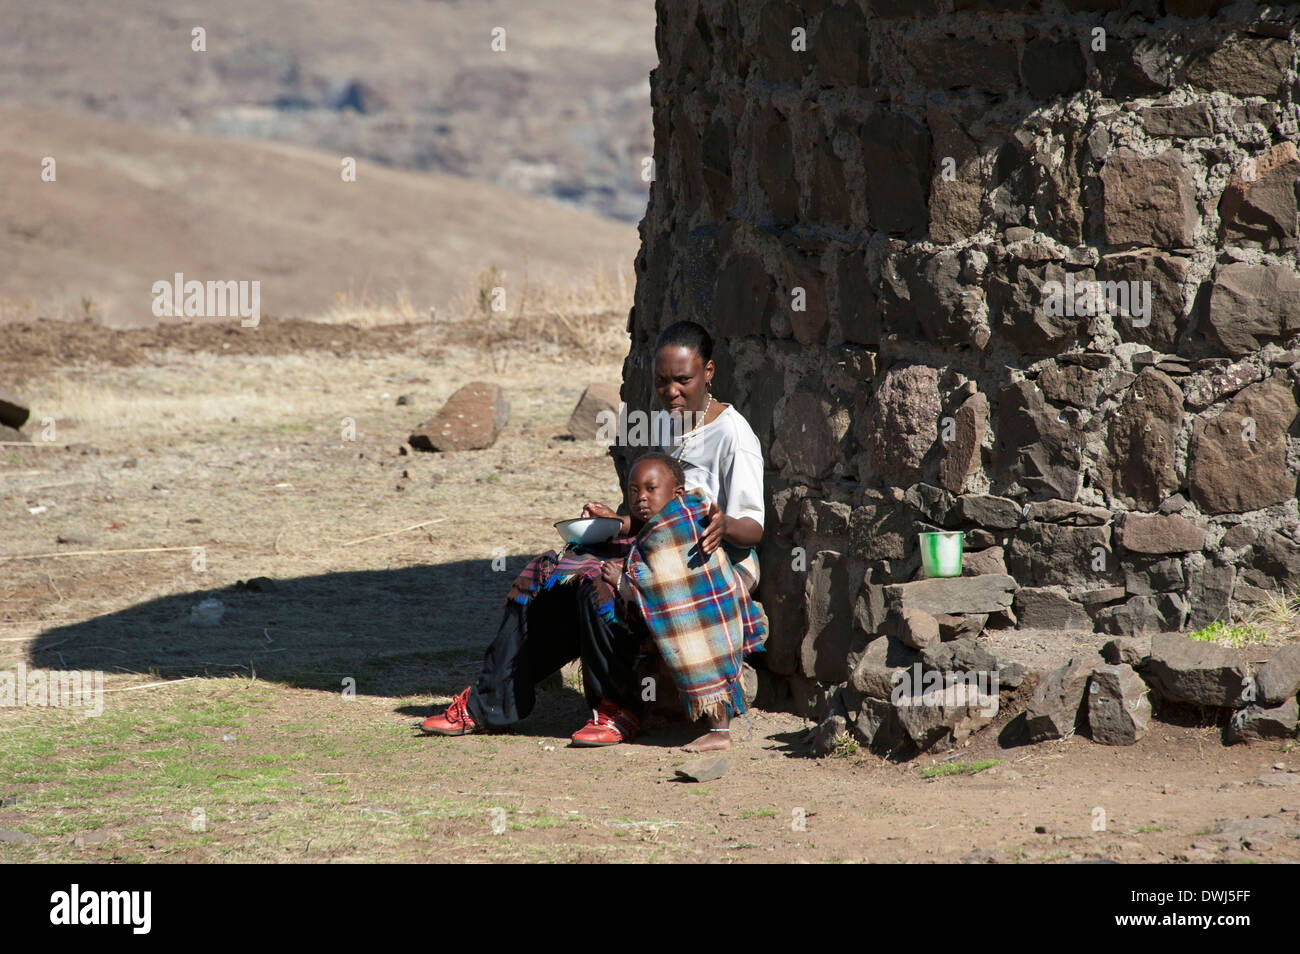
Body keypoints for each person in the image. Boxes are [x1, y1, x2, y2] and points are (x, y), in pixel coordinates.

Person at [418, 319, 766, 746]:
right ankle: (487, 703)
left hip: (704, 560)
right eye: (661, 382)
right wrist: (616, 521)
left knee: (598, 586)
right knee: (548, 581)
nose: (671, 392)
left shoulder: (733, 435)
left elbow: (753, 527)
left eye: (683, 380)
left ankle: (616, 710)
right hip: (651, 550)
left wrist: (724, 523)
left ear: (708, 373)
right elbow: (650, 510)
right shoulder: (662, 421)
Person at [600, 452, 766, 752]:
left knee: (705, 658)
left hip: (708, 613)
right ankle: (715, 728)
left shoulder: (681, 526)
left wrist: (624, 583)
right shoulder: (662, 525)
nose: (641, 499)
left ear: (677, 493)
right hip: (710, 614)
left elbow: (662, 584)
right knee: (709, 661)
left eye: (651, 489)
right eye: (634, 490)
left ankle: (719, 733)